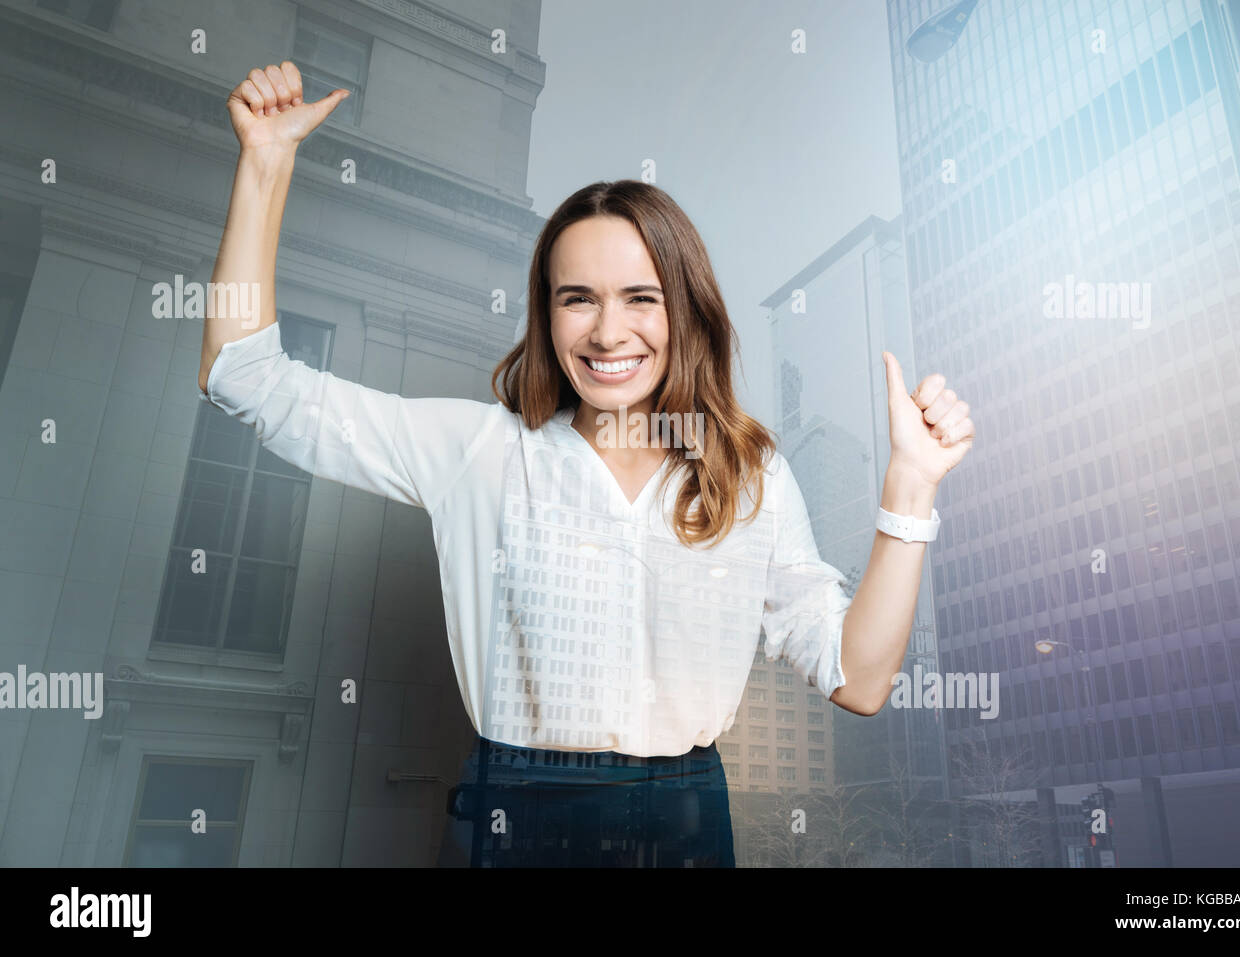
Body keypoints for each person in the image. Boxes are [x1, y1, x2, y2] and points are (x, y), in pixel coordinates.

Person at [199, 63, 975, 868]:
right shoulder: (482, 452)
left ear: (687, 309)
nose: (608, 333)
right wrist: (265, 163)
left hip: (688, 829)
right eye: (578, 297)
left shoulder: (750, 476)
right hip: (514, 824)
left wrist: (909, 488)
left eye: (641, 297)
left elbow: (859, 678)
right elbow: (245, 379)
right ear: (546, 313)